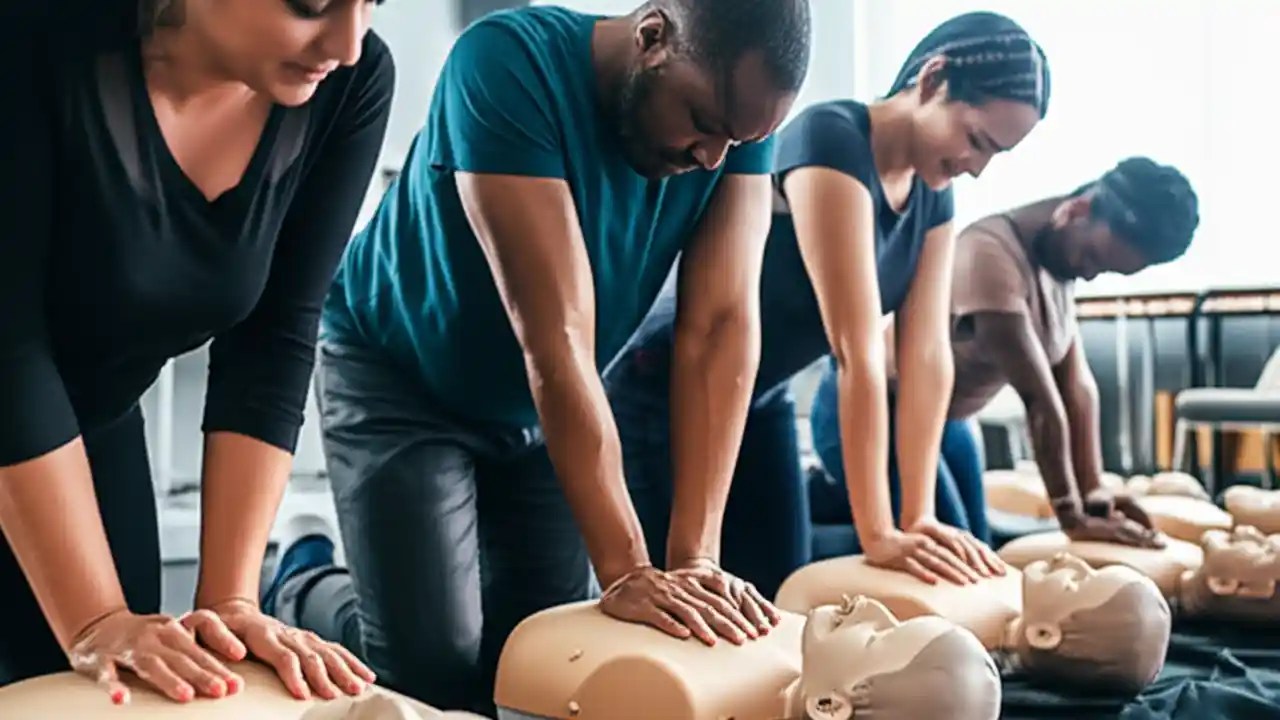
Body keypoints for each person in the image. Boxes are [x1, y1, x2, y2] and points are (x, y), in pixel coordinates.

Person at [260, 0, 812, 713]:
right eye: (703, 123)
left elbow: (721, 328)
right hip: (399, 374)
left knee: (544, 659)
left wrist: (695, 557)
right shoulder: (504, 62)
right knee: (435, 673)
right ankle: (300, 577)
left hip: (545, 400)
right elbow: (554, 331)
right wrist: (628, 569)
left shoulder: (732, 128)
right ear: (652, 36)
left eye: (737, 142)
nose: (712, 157)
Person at [0, 0, 393, 706]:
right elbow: (8, 341)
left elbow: (273, 338)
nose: (349, 43)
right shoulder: (29, 34)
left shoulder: (346, 86)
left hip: (96, 426)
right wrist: (94, 618)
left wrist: (231, 606)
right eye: (313, 3)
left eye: (374, 2)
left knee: (130, 693)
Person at [603, 11, 1052, 600]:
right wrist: (879, 532)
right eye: (976, 139)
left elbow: (925, 357)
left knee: (776, 588)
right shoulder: (833, 140)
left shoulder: (932, 195)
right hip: (660, 386)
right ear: (933, 80)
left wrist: (916, 516)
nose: (977, 165)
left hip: (756, 398)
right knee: (682, 595)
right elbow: (857, 350)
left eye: (997, 154)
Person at [810, 157, 1200, 551]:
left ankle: (828, 497)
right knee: (949, 554)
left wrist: (1095, 492)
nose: (1090, 274)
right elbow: (1040, 399)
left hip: (945, 420)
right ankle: (820, 501)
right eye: (1094, 258)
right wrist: (1072, 516)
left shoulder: (1060, 261)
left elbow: (1076, 386)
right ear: (1077, 209)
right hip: (874, 411)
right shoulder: (990, 254)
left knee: (975, 542)